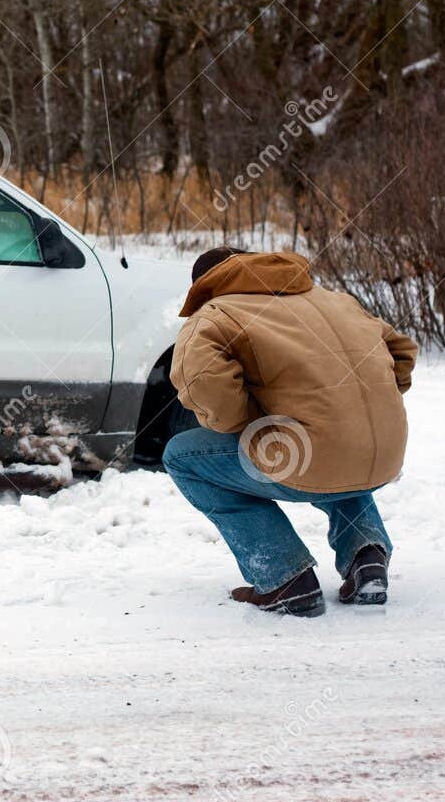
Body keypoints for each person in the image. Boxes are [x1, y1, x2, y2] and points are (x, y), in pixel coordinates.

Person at [162, 247, 417, 617]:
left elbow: (204, 383)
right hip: (385, 455)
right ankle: (367, 557)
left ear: (205, 285)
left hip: (309, 457)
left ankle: (284, 578)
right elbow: (402, 351)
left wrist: (245, 422)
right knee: (331, 437)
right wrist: (373, 404)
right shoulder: (335, 300)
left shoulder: (215, 315)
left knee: (181, 457)